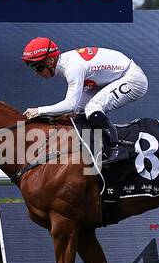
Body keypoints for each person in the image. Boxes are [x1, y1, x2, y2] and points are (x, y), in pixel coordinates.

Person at [21, 39, 149, 167]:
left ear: (50, 60)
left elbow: (69, 104)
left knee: (92, 108)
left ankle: (116, 149)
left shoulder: (72, 68)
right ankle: (93, 147)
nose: (36, 73)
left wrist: (38, 111)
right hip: (114, 77)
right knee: (79, 111)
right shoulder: (66, 64)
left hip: (132, 79)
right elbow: (74, 108)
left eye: (37, 66)